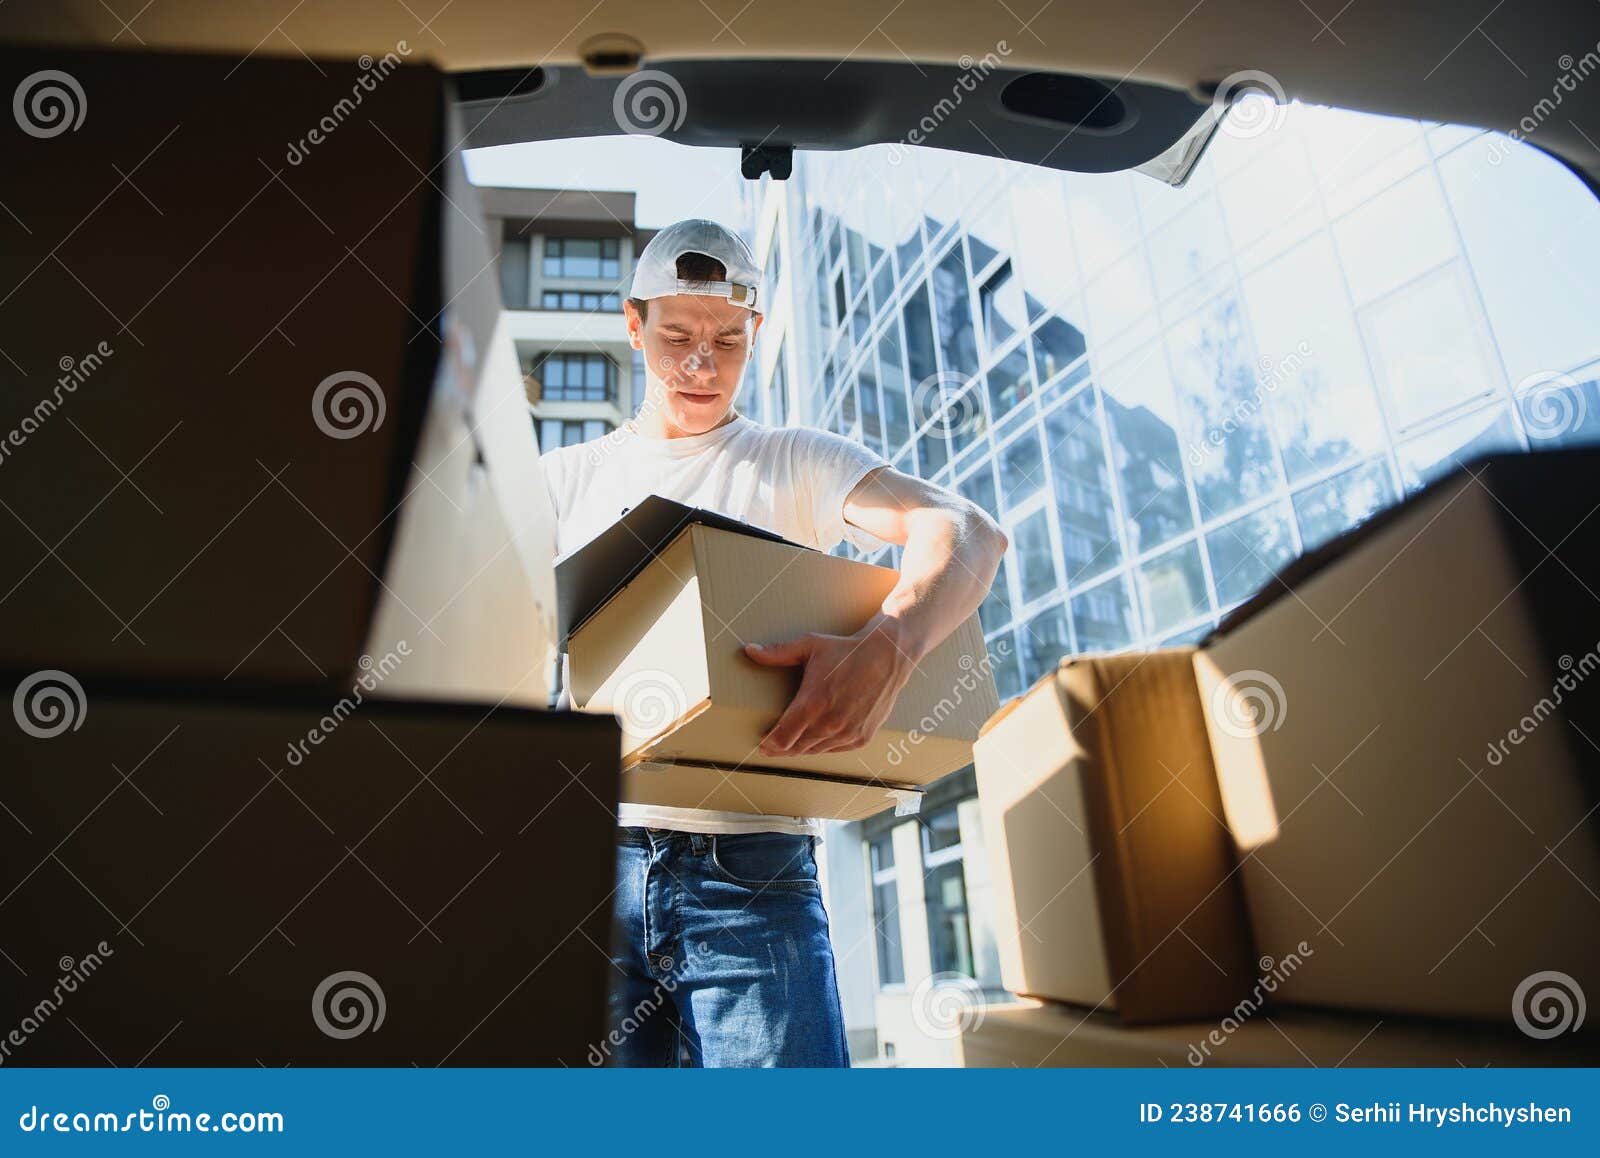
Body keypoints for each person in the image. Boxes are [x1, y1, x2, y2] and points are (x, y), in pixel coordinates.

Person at [540, 219, 1006, 1067]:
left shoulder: (796, 462)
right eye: (676, 336)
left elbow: (967, 531)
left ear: (755, 334)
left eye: (726, 340)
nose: (699, 365)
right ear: (633, 324)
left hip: (756, 873)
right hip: (587, 867)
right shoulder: (562, 482)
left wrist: (891, 645)